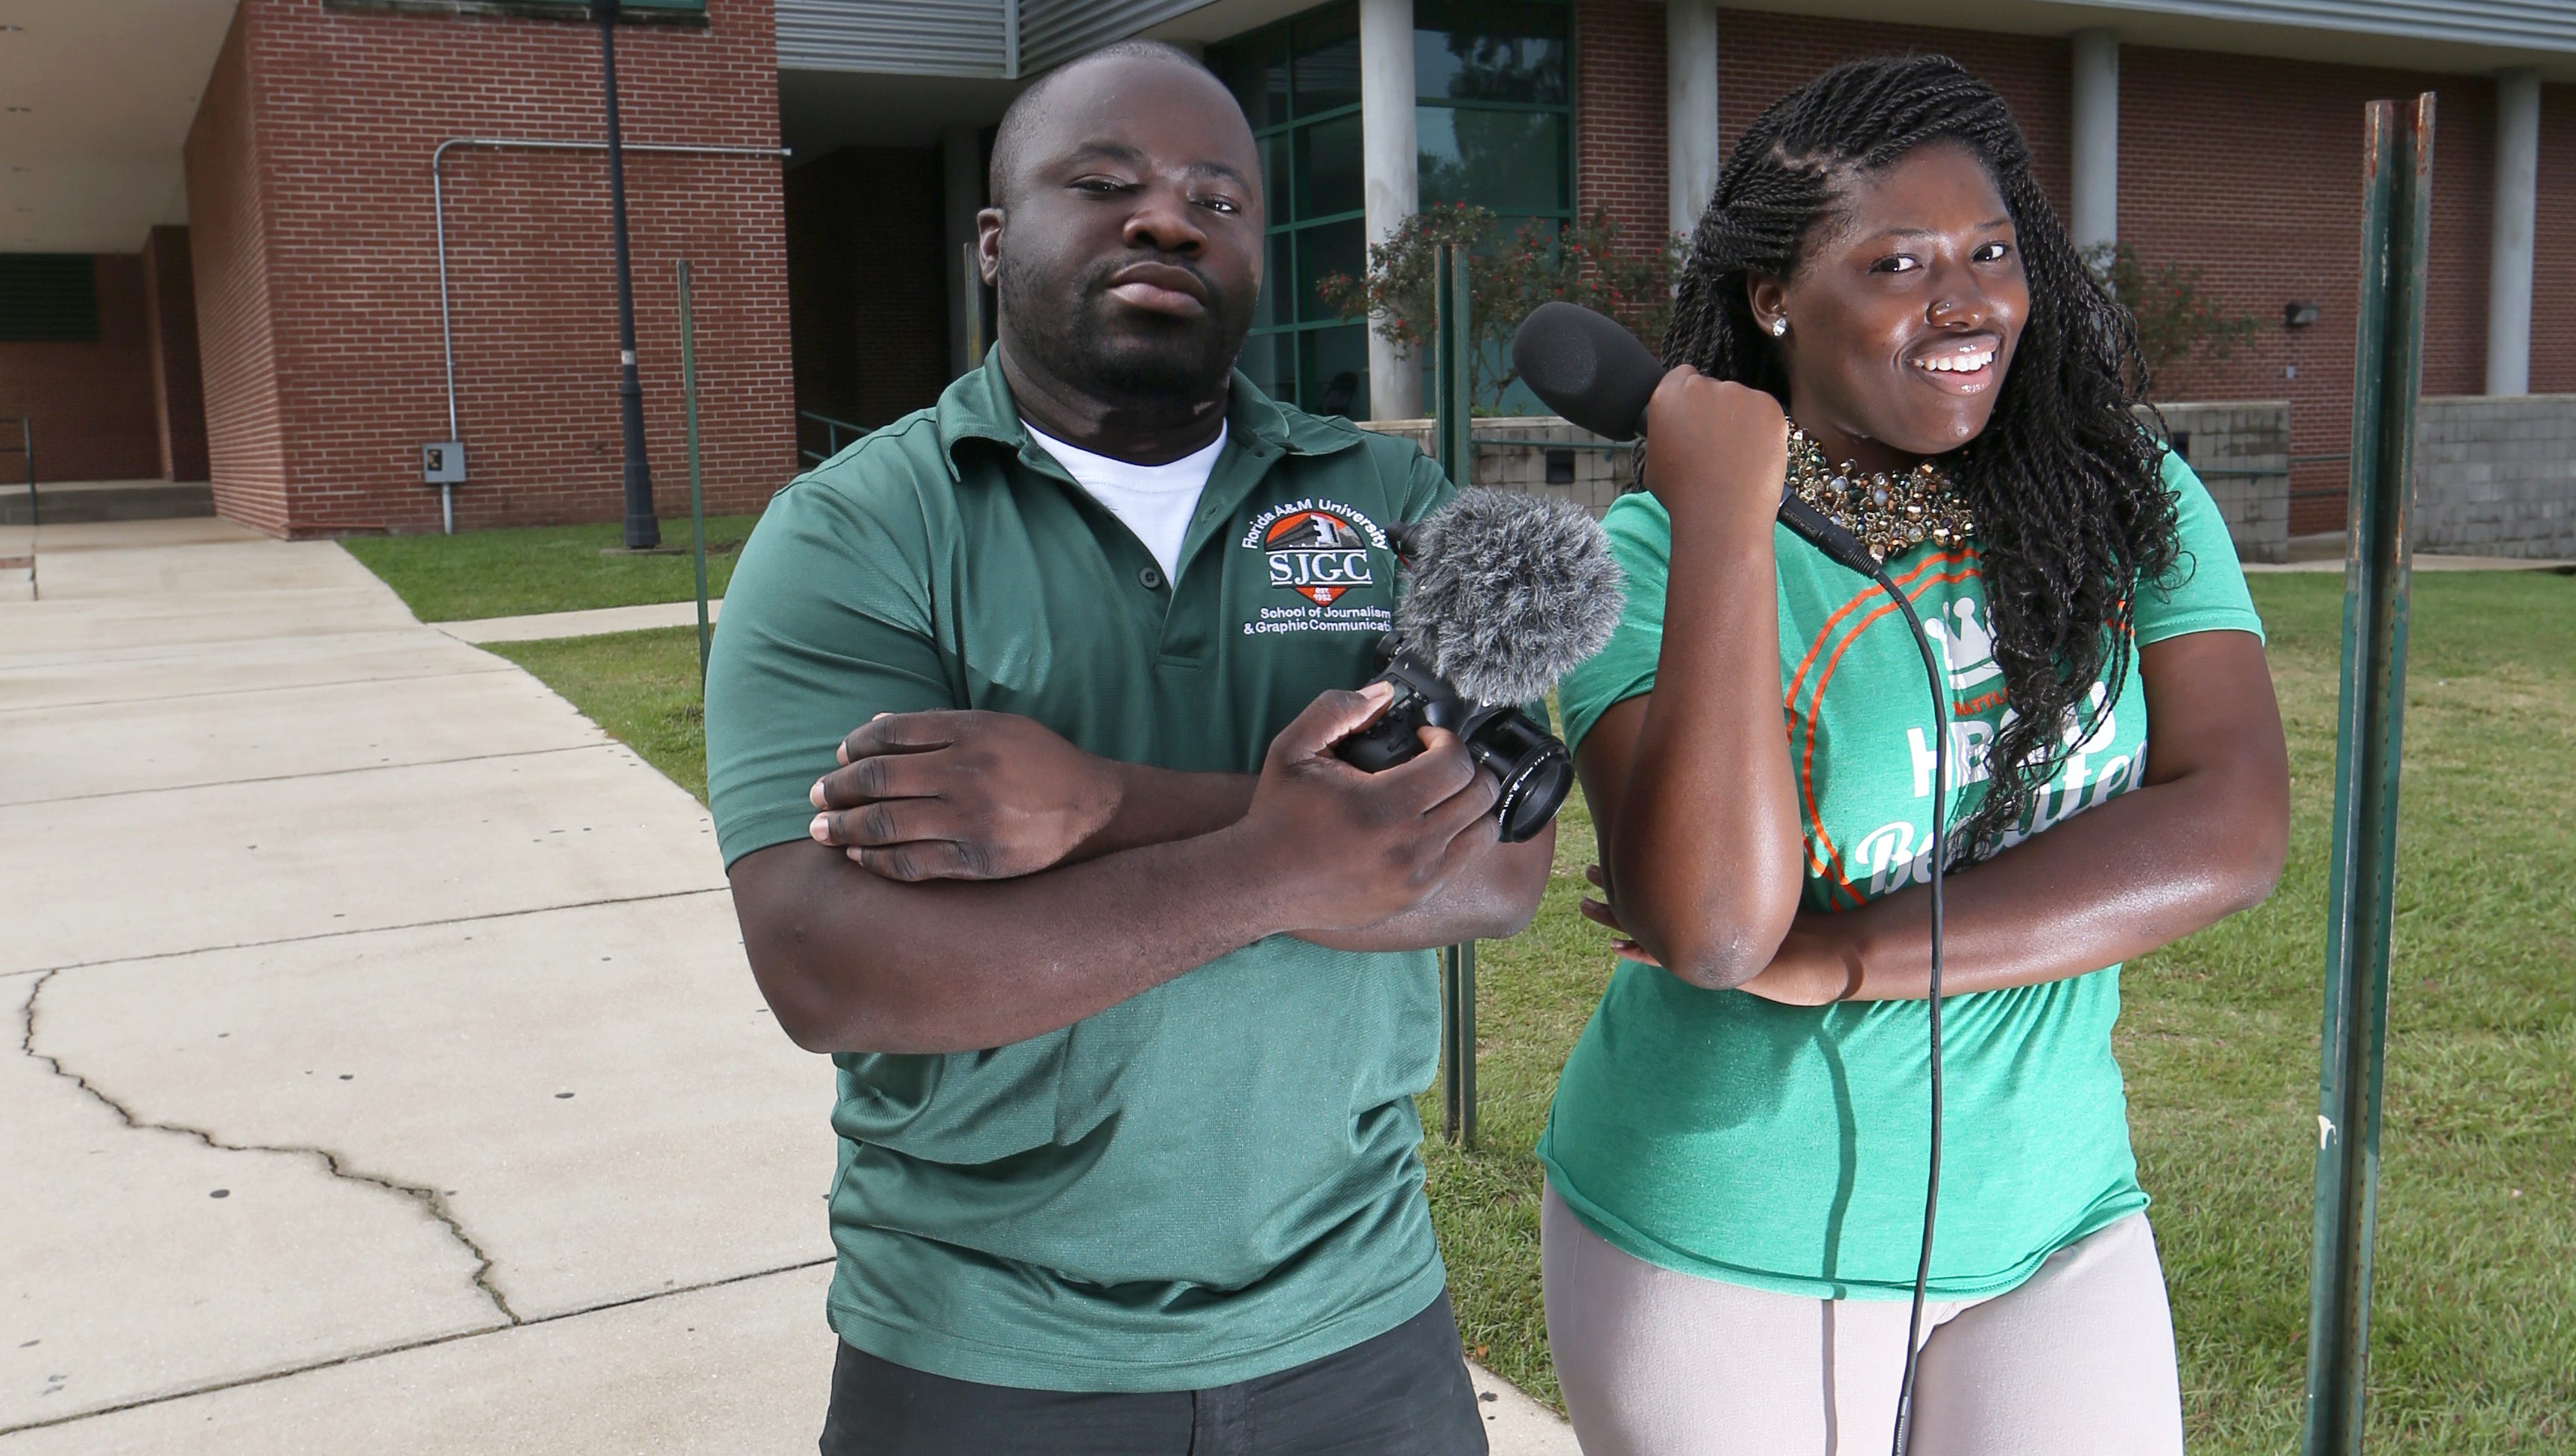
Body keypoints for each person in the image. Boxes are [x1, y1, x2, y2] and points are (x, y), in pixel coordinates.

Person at [704, 39, 1550, 1456]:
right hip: (985, 1349)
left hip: (1359, 1333)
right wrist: (1280, 862)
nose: (1167, 219)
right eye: (1104, 184)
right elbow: (828, 962)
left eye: (1218, 202)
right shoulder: (860, 529)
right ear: (993, 240)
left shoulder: (1390, 496)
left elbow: (1492, 873)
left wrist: (1098, 804)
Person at [1539, 55, 2291, 1455]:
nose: (1967, 302)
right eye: (1898, 262)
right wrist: (1721, 517)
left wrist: (1851, 953)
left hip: (2058, 1215)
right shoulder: (1644, 564)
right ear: (1774, 298)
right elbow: (1708, 926)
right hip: (1732, 1237)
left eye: (1993, 251)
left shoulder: (2119, 489)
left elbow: (2231, 822)